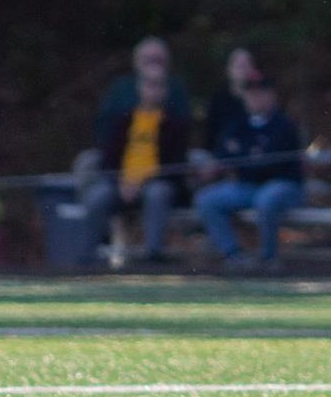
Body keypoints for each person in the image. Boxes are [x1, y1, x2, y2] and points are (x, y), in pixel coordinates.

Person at [196, 75, 306, 270]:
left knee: (266, 200)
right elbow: (224, 153)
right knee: (208, 199)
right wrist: (245, 158)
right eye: (250, 94)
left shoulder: (284, 125)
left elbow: (269, 164)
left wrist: (242, 156)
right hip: (248, 186)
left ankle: (268, 259)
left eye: (259, 94)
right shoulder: (238, 123)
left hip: (282, 184)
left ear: (271, 95)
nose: (254, 98)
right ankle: (233, 255)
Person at [85, 69, 190, 264]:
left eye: (158, 85)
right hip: (121, 184)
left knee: (157, 193)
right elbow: (108, 160)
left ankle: (153, 255)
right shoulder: (124, 120)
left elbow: (175, 167)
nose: (153, 91)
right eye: (149, 85)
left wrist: (142, 183)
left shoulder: (174, 124)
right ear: (140, 88)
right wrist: (121, 182)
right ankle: (89, 255)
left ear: (165, 90)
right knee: (98, 195)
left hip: (156, 183)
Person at [95, 36, 189, 144]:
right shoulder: (122, 86)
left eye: (158, 60)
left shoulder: (175, 86)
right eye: (148, 59)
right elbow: (106, 122)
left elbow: (184, 124)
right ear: (136, 61)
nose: (153, 64)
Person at [202, 48, 259, 152]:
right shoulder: (218, 100)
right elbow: (211, 135)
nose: (244, 70)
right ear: (229, 70)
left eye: (247, 65)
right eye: (240, 66)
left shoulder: (261, 99)